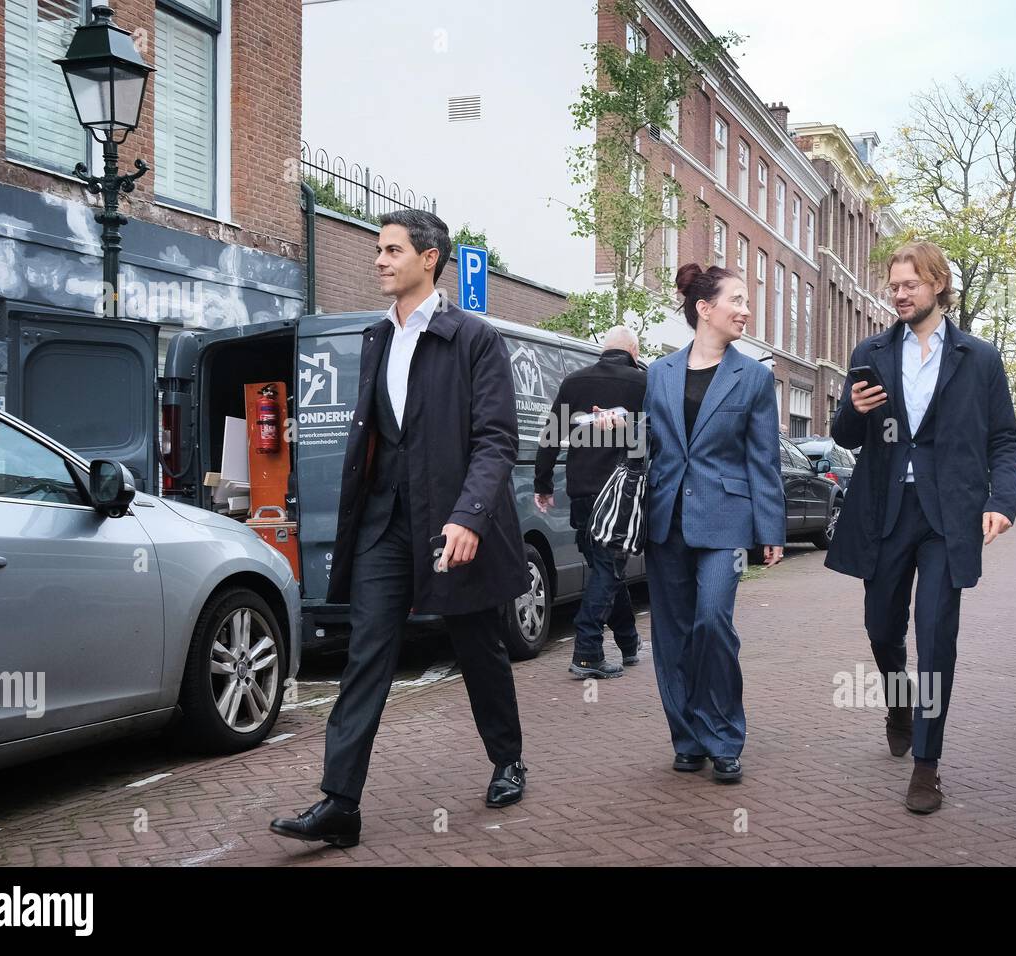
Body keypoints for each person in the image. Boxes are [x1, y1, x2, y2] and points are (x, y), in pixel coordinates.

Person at [270, 210, 530, 848]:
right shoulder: (375, 338)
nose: (379, 260)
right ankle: (340, 802)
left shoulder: (473, 337)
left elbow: (496, 440)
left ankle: (507, 758)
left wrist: (469, 517)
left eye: (392, 250)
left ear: (429, 259)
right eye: (378, 250)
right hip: (387, 520)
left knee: (478, 647)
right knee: (367, 655)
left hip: (449, 520)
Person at [825, 241, 1016, 814]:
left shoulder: (979, 359)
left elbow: (1004, 440)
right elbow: (843, 436)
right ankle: (898, 698)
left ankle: (927, 766)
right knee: (882, 628)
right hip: (884, 511)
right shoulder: (872, 351)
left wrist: (1002, 500)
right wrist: (855, 411)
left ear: (938, 285)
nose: (899, 294)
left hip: (948, 517)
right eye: (893, 285)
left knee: (935, 636)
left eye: (910, 284)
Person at [643, 263, 785, 784]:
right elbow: (649, 444)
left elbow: (763, 458)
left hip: (726, 519)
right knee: (672, 633)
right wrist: (615, 429)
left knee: (711, 622)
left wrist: (771, 529)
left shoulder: (754, 377)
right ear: (705, 309)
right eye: (737, 301)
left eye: (747, 301)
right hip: (667, 518)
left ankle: (724, 736)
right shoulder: (659, 373)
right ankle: (687, 738)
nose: (746, 310)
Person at [533, 326, 647, 679]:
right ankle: (586, 651)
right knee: (607, 569)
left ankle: (628, 642)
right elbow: (648, 439)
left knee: (605, 569)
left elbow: (550, 435)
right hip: (619, 494)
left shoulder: (574, 382)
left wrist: (543, 483)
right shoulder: (643, 384)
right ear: (634, 352)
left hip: (581, 491)